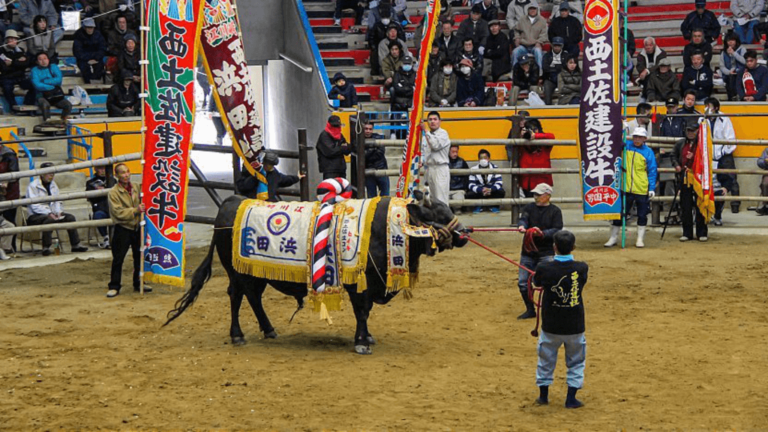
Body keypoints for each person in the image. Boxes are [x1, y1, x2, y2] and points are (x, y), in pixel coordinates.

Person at [532, 230, 588, 409]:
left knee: (546, 359)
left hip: (552, 324)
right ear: (573, 247)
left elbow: (537, 283)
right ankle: (571, 398)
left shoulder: (544, 268)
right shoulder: (581, 268)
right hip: (574, 324)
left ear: (554, 247)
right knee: (576, 361)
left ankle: (543, 396)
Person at [604, 128, 658, 248]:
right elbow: (615, 140)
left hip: (641, 187)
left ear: (645, 139)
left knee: (642, 214)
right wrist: (622, 128)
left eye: (639, 137)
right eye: (635, 137)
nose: (637, 139)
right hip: (626, 187)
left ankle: (640, 239)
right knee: (620, 213)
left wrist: (652, 187)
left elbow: (652, 171)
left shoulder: (648, 152)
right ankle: (613, 237)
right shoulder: (626, 146)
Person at [516, 182, 563, 320]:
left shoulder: (555, 211)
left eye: (538, 194)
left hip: (546, 252)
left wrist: (542, 233)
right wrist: (522, 226)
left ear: (547, 196)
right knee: (523, 282)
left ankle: (549, 308)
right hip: (528, 252)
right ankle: (530, 309)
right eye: (535, 194)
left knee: (548, 282)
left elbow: (557, 229)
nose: (535, 196)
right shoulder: (529, 208)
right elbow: (523, 219)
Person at [27, 162, 89, 255]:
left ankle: (75, 245)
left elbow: (57, 201)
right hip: (35, 215)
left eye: (53, 173)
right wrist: (49, 213)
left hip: (52, 213)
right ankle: (46, 247)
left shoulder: (53, 185)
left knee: (70, 218)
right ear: (41, 174)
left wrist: (58, 212)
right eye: (49, 173)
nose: (51, 175)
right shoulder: (33, 186)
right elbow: (35, 206)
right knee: (49, 220)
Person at [106, 163, 146, 298]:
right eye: (122, 173)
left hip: (137, 226)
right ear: (116, 175)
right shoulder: (113, 192)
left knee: (139, 257)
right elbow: (117, 212)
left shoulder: (136, 187)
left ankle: (138, 282)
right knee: (118, 258)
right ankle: (114, 285)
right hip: (123, 228)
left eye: (128, 171)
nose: (126, 175)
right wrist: (136, 210)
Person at [672, 121, 708, 242]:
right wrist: (676, 165)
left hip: (699, 178)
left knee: (700, 205)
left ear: (698, 131)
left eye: (693, 131)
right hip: (685, 177)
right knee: (685, 206)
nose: (690, 133)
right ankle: (687, 233)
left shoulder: (702, 144)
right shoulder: (680, 143)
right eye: (688, 131)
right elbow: (673, 156)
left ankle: (701, 232)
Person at [705, 97, 740, 219]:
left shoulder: (724, 118)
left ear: (715, 107)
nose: (707, 108)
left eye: (709, 106)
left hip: (724, 154)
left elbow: (731, 137)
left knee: (731, 178)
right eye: (706, 106)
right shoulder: (702, 119)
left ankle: (735, 204)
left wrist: (724, 151)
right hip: (708, 154)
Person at [31, 51, 72, 123]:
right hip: (42, 95)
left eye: (45, 58)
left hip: (55, 95)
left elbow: (58, 80)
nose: (43, 61)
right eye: (40, 59)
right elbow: (37, 85)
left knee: (68, 105)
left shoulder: (54, 67)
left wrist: (44, 81)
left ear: (48, 60)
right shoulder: (34, 70)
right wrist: (51, 86)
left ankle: (63, 121)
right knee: (45, 105)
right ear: (37, 62)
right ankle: (48, 123)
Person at [0, 30, 36, 109]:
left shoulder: (21, 50)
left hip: (20, 76)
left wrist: (12, 63)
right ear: (6, 40)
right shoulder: (1, 51)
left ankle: (27, 105)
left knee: (34, 86)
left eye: (15, 39)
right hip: (7, 77)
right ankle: (13, 107)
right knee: (7, 89)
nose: (13, 41)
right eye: (11, 39)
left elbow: (26, 64)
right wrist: (18, 62)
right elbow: (3, 67)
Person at [519, 118, 554, 197]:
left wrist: (535, 136)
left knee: (542, 203)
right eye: (529, 129)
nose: (532, 131)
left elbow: (551, 136)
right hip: (527, 180)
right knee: (528, 205)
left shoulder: (544, 141)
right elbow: (513, 148)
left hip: (542, 180)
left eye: (534, 129)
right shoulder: (522, 141)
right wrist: (521, 137)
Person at [422, 111, 451, 206]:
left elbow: (435, 145)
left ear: (440, 121)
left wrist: (425, 131)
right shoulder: (425, 137)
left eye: (435, 119)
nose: (432, 122)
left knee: (441, 199)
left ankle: (444, 220)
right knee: (430, 199)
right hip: (429, 169)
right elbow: (424, 153)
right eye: (430, 120)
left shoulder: (443, 134)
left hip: (440, 168)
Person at [85, 165, 114, 248]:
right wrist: (96, 192)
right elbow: (88, 197)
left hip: (113, 208)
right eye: (100, 168)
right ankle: (106, 237)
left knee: (121, 213)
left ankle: (118, 237)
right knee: (98, 215)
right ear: (95, 169)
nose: (103, 170)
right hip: (100, 208)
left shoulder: (113, 180)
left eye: (105, 168)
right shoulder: (90, 182)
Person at [468, 148, 505, 213]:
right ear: (478, 159)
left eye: (485, 157)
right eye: (481, 158)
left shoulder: (495, 168)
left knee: (501, 192)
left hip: (491, 192)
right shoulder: (473, 169)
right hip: (479, 192)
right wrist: (481, 190)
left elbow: (499, 182)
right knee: (469, 194)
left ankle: (494, 206)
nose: (483, 160)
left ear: (489, 159)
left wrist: (491, 189)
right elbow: (471, 184)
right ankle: (478, 206)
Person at [369, 8, 404, 76]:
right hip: (379, 47)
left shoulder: (395, 25)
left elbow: (402, 37)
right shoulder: (377, 26)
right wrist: (374, 47)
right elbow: (371, 37)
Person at [512, 3, 547, 70]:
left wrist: (539, 42)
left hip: (535, 45)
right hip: (523, 45)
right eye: (531, 9)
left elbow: (544, 34)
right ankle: (514, 72)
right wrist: (517, 38)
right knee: (515, 52)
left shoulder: (542, 20)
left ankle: (539, 73)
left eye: (534, 9)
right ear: (528, 10)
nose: (532, 10)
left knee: (538, 52)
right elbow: (516, 30)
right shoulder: (522, 19)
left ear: (537, 10)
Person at [317, 115, 351, 180]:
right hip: (329, 170)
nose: (336, 128)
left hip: (341, 169)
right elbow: (330, 151)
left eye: (338, 126)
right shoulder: (324, 136)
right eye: (334, 126)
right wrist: (342, 147)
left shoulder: (339, 135)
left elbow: (347, 149)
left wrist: (342, 147)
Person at [73, 18, 107, 84]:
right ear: (84, 27)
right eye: (88, 27)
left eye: (91, 27)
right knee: (85, 68)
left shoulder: (98, 35)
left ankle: (97, 87)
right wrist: (88, 59)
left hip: (96, 59)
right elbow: (78, 52)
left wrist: (96, 58)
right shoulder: (78, 36)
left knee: (99, 67)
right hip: (83, 60)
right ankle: (89, 86)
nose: (90, 29)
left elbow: (102, 49)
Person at [360, 123, 389, 197]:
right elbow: (362, 155)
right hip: (368, 172)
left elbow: (381, 153)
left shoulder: (378, 138)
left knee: (385, 197)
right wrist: (373, 149)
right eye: (366, 129)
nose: (368, 131)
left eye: (370, 129)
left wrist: (367, 152)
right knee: (371, 198)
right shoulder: (359, 139)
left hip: (381, 170)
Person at [0, 139, 19, 247]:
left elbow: (14, 174)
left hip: (9, 193)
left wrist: (5, 181)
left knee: (9, 219)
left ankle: (11, 247)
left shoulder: (9, 155)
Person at [719, 33, 746, 101]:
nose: (730, 42)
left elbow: (744, 61)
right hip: (729, 74)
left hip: (741, 72)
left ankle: (737, 97)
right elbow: (722, 66)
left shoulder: (742, 49)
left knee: (736, 78)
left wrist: (734, 53)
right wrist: (729, 72)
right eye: (728, 40)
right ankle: (732, 98)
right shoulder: (723, 52)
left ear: (736, 41)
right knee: (730, 78)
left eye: (732, 40)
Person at [542, 37, 565, 105]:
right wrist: (558, 68)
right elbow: (545, 68)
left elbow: (566, 68)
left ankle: (562, 105)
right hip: (550, 78)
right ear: (552, 45)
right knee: (547, 86)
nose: (556, 48)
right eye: (555, 45)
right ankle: (548, 107)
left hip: (562, 78)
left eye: (558, 46)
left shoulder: (566, 56)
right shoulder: (546, 56)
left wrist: (553, 67)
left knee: (564, 86)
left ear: (562, 46)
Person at [448, 144, 469, 215]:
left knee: (458, 203)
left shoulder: (462, 162)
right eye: (453, 152)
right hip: (446, 189)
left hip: (458, 189)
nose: (455, 154)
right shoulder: (444, 162)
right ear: (448, 151)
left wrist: (465, 188)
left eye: (456, 152)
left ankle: (457, 209)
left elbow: (467, 176)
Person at [757, 146, 768, 215]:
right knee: (765, 183)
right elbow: (759, 162)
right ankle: (766, 206)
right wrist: (765, 161)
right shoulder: (767, 150)